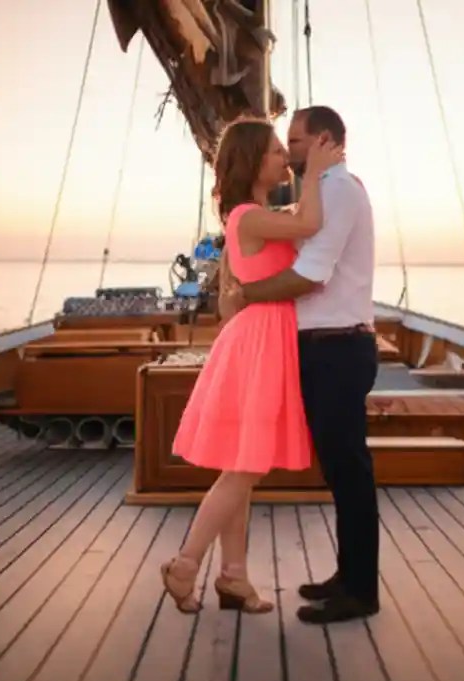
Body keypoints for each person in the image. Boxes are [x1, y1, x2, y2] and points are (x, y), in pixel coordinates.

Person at [161, 117, 344, 614]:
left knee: (242, 466)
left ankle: (234, 577)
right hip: (261, 343)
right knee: (243, 469)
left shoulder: (250, 217)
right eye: (276, 152)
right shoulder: (250, 217)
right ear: (252, 163)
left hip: (256, 338)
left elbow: (226, 303)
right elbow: (309, 224)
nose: (285, 157)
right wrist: (318, 170)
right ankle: (185, 565)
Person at [229, 106, 380, 624]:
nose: (288, 151)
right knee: (340, 471)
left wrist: (247, 293)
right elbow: (292, 227)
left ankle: (361, 591)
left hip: (338, 347)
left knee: (350, 471)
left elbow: (312, 274)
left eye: (294, 141)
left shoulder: (337, 190)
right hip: (325, 347)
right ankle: (349, 574)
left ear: (322, 141)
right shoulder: (324, 189)